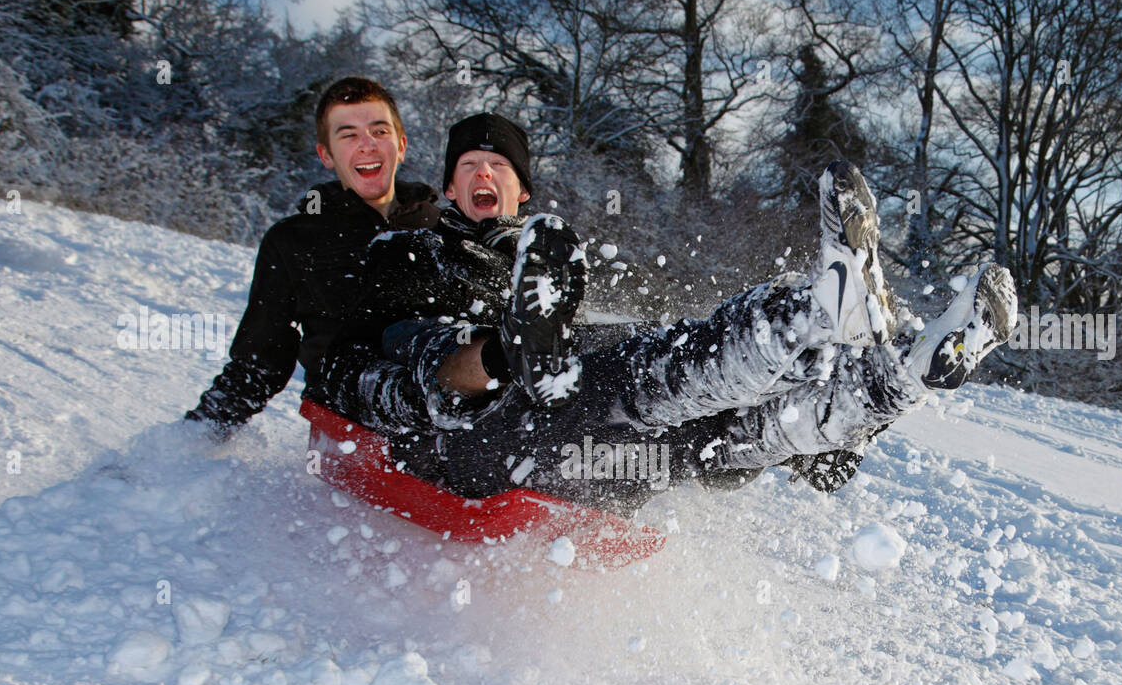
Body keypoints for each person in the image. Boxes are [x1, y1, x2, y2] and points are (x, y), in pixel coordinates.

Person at [310, 117, 1018, 512]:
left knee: (711, 433)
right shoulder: (403, 255)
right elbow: (350, 369)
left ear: (523, 193)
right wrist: (491, 359)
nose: (484, 174)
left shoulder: (539, 271)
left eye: (501, 166)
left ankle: (884, 383)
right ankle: (815, 323)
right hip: (454, 443)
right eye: (470, 164)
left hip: (569, 457)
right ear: (445, 186)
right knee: (635, 376)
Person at [186, 77, 441, 432]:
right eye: (348, 134)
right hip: (353, 421)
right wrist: (190, 441)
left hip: (449, 398)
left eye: (379, 131)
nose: (367, 145)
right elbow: (260, 361)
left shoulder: (443, 230)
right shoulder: (296, 240)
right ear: (327, 154)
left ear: (401, 145)